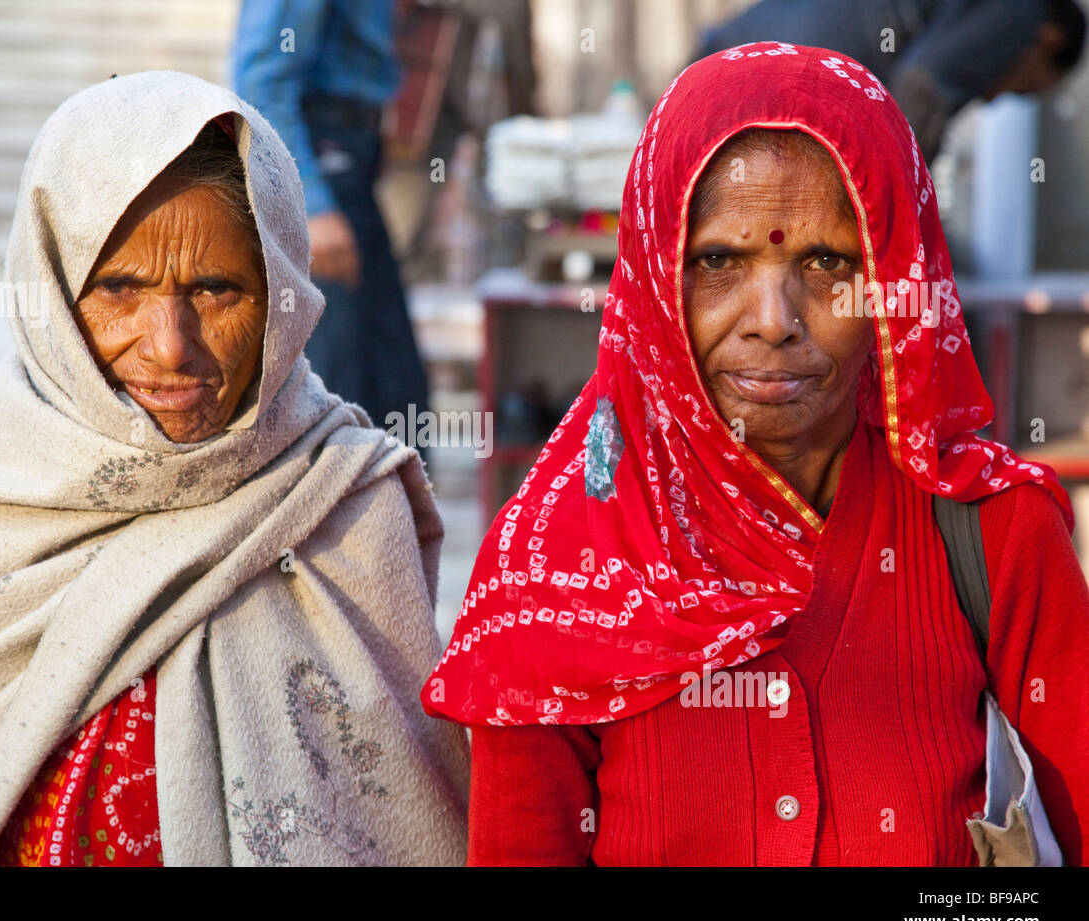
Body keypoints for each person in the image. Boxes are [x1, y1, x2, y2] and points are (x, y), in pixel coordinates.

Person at [423, 43, 1089, 866]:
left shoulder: (991, 530)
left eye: (826, 261)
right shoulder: (556, 565)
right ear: (650, 277)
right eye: (718, 261)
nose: (773, 317)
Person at [0, 71, 469, 867]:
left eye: (216, 289)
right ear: (52, 289)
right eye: (118, 289)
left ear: (283, 297)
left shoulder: (345, 501)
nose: (171, 345)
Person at [232, 0, 430, 435]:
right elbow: (260, 82)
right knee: (337, 393)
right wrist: (309, 205)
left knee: (398, 396)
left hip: (351, 164)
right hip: (318, 167)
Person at [695, 0, 1086, 164]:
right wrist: (907, 213)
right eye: (1022, 88)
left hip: (722, 62)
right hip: (772, 84)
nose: (995, 99)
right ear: (1050, 38)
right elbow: (923, 88)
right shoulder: (1024, 11)